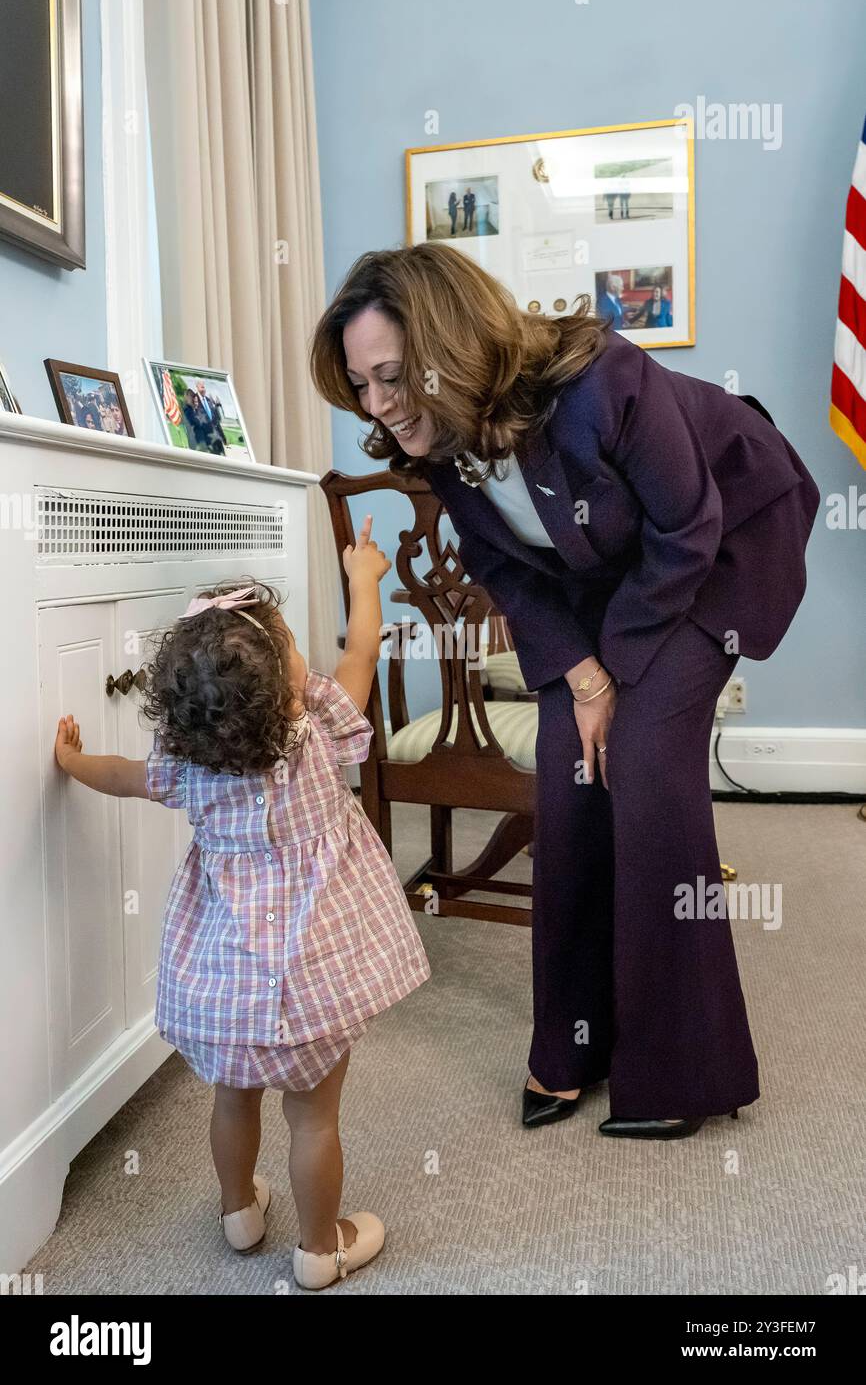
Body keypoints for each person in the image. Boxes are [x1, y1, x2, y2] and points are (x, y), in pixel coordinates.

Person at [308, 242, 821, 1141]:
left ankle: (678, 1070)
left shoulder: (602, 385)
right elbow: (509, 568)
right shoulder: (435, 440)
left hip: (719, 536)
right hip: (608, 566)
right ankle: (571, 1046)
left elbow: (686, 531)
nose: (379, 407)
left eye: (392, 377)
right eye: (362, 386)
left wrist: (616, 672)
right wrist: (583, 677)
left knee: (647, 761)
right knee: (567, 769)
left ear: (451, 345)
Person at [53, 533, 431, 1288]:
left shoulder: (186, 772)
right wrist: (364, 577)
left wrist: (70, 762)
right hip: (315, 984)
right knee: (314, 1118)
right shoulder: (319, 743)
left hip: (225, 989)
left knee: (234, 1097)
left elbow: (123, 776)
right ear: (289, 692)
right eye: (289, 644)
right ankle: (321, 1250)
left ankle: (240, 1214)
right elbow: (360, 657)